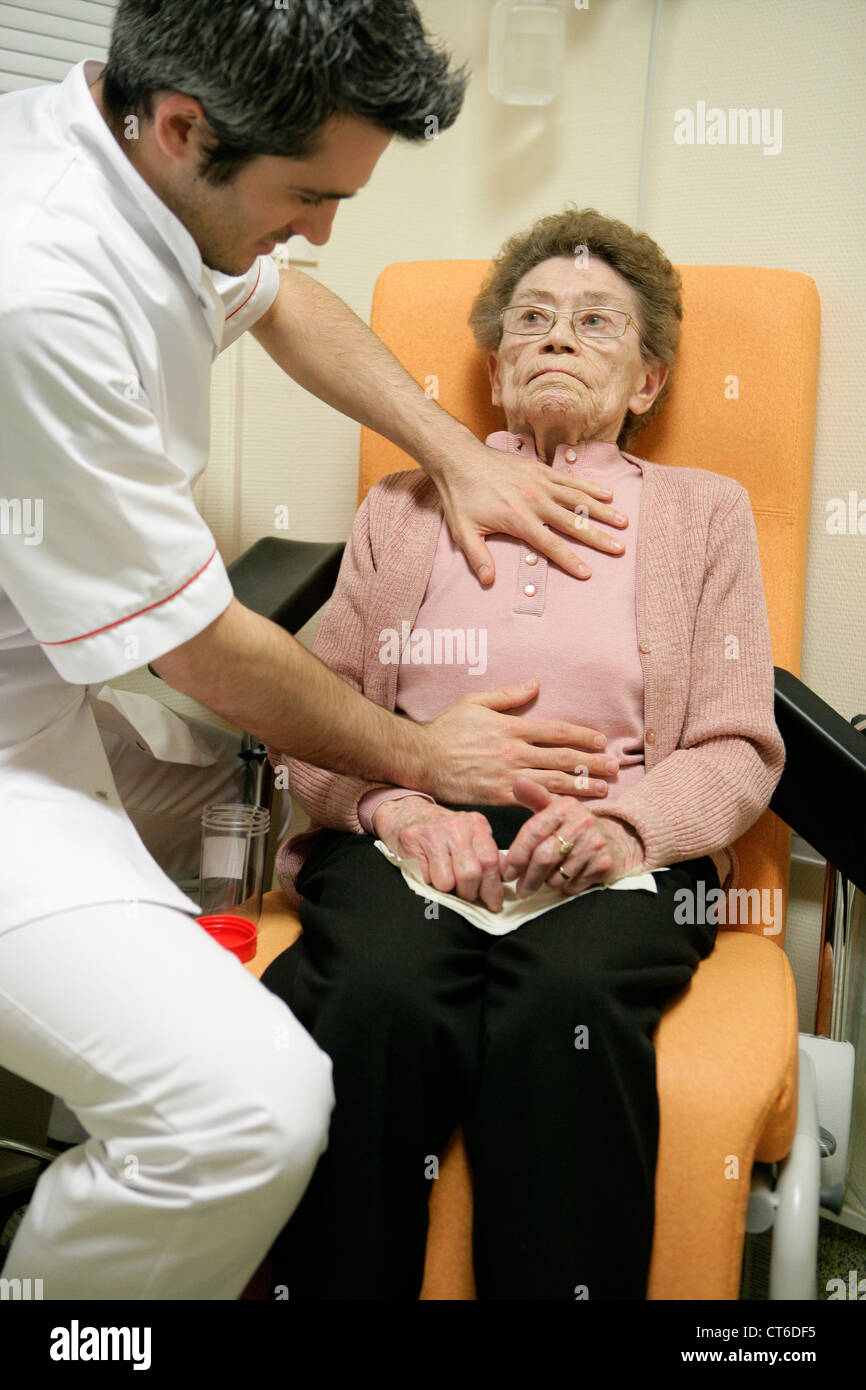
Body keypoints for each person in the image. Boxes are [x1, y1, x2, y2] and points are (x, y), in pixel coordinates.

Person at [0, 3, 629, 1300]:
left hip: (58, 680)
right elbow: (201, 650)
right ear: (184, 130)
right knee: (244, 1099)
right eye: (306, 194)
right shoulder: (41, 281)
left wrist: (451, 452)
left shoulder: (153, 173)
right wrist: (415, 766)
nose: (324, 230)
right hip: (89, 705)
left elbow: (291, 301)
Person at [261, 206, 786, 1300]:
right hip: (409, 835)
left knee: (570, 1005)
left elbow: (737, 743)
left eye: (596, 322)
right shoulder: (399, 509)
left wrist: (622, 825)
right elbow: (308, 722)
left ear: (645, 382)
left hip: (614, 844)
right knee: (374, 995)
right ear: (495, 373)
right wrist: (388, 808)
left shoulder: (700, 513)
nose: (555, 334)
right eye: (532, 319)